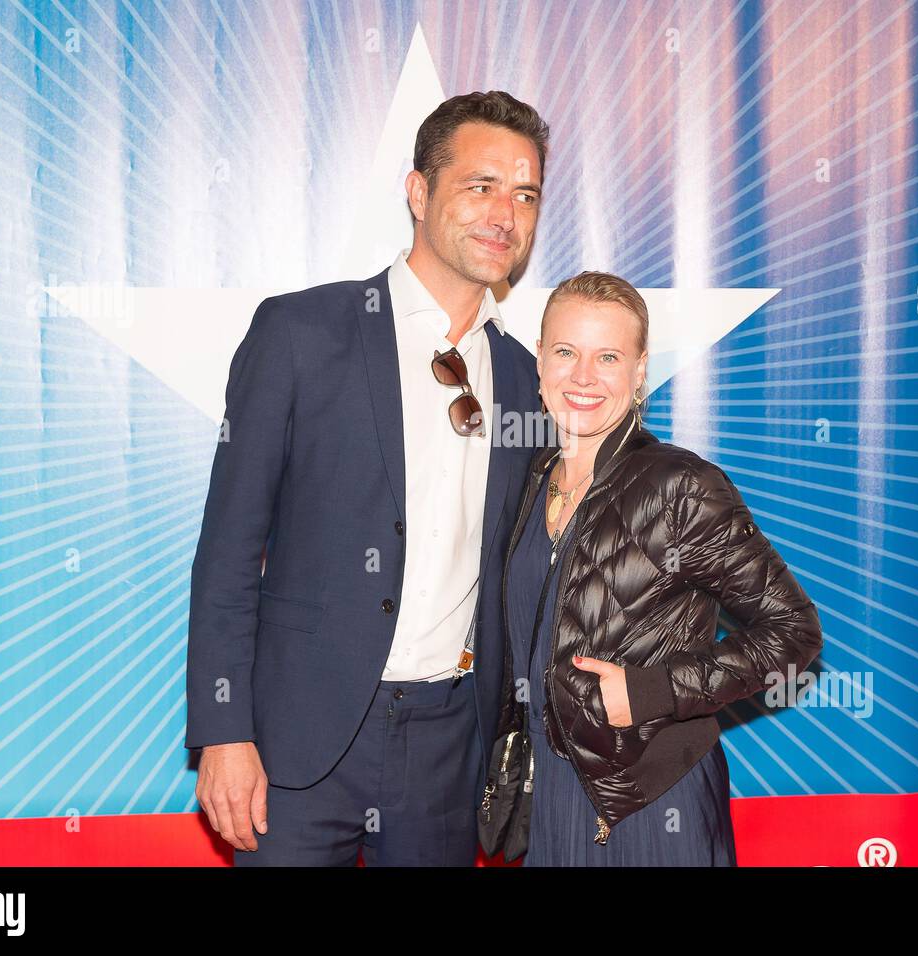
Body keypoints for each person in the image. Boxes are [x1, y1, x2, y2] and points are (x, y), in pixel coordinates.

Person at [185, 91, 549, 865]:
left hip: (450, 749)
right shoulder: (301, 333)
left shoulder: (525, 380)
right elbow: (226, 553)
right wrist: (224, 731)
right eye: (479, 186)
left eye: (524, 195)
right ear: (419, 192)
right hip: (294, 746)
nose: (503, 215)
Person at [495, 271, 823, 865]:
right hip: (550, 800)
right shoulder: (528, 480)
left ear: (640, 369)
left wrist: (650, 691)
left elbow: (793, 633)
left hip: (647, 803)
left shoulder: (681, 485)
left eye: (609, 356)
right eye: (566, 352)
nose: (585, 376)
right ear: (539, 361)